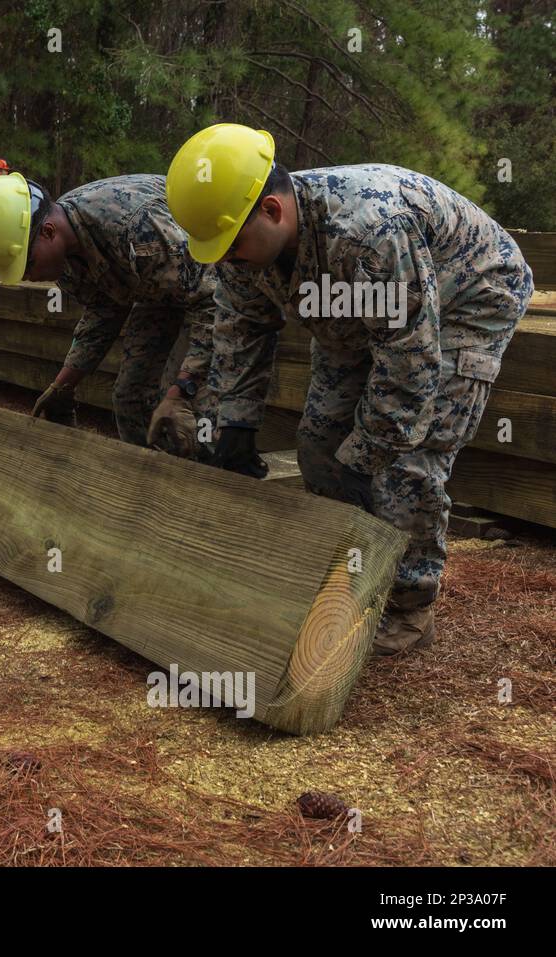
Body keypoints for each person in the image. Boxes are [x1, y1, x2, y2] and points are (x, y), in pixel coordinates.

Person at [166, 122, 534, 654]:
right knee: (318, 444)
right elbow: (241, 329)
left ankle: (410, 605)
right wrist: (236, 424)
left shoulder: (368, 230)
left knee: (405, 462)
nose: (225, 259)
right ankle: (351, 575)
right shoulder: (238, 242)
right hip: (352, 307)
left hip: (467, 296)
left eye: (232, 246)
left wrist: (367, 456)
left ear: (272, 210)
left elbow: (410, 368)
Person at [0, 172, 215, 456]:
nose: (28, 276)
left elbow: (211, 300)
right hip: (159, 288)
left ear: (48, 232)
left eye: (27, 264)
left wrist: (182, 389)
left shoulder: (136, 227)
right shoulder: (64, 254)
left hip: (216, 291)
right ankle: (150, 489)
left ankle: (210, 484)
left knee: (191, 411)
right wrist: (63, 386)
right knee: (131, 397)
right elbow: (103, 311)